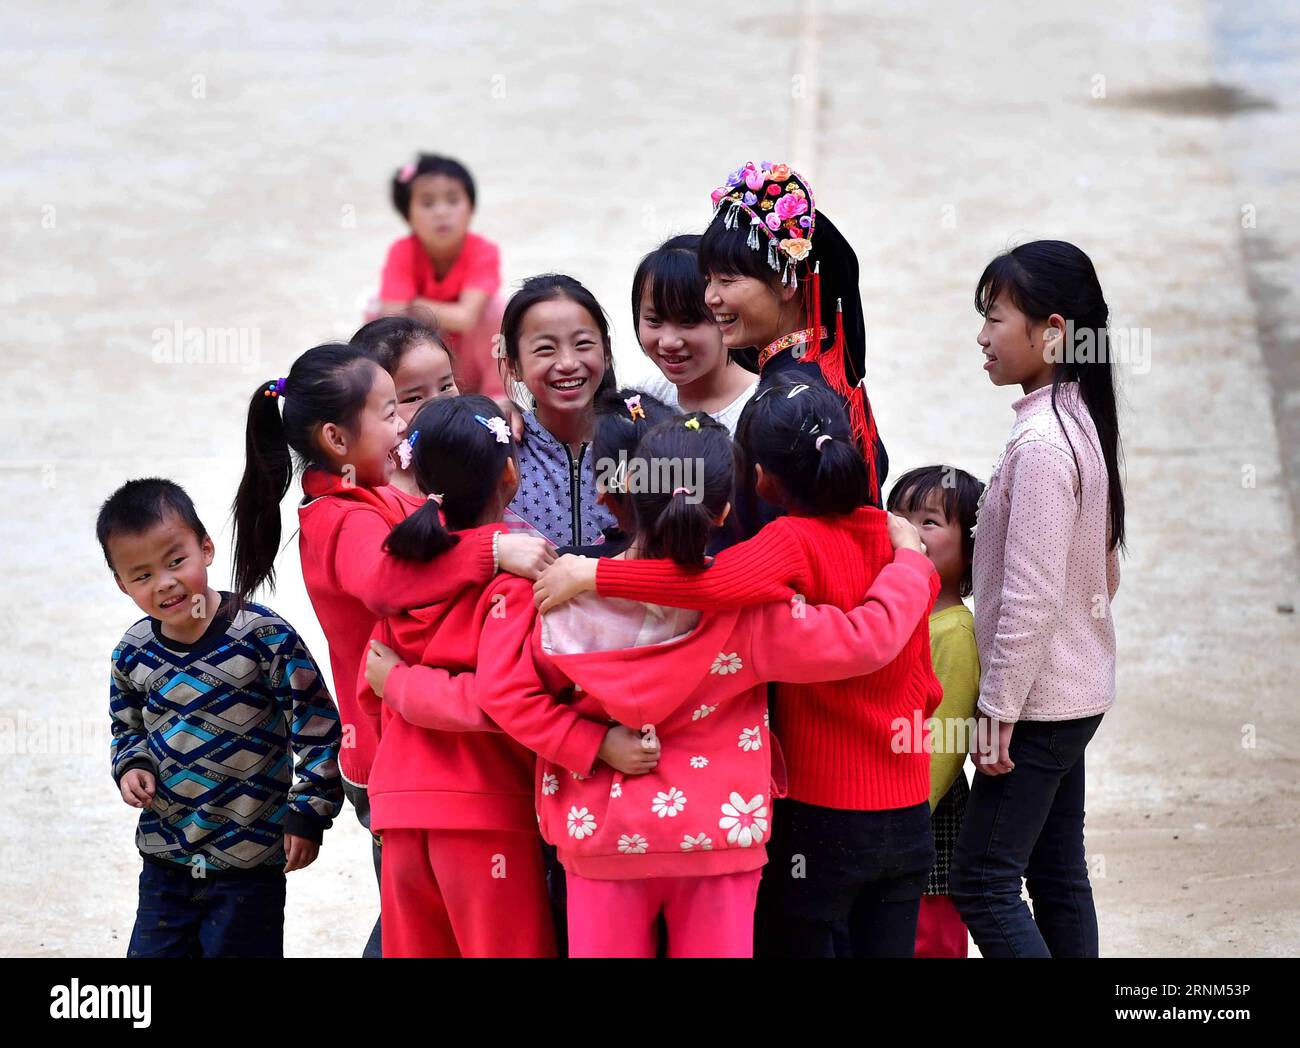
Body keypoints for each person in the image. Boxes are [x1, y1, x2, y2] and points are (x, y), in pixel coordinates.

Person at [950, 240, 1125, 958]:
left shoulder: (1044, 446)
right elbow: (1102, 573)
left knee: (984, 883)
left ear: (1051, 331)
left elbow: (1032, 599)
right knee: (1056, 876)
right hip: (1071, 694)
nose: (983, 336)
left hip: (1037, 707)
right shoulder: (1079, 417)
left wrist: (997, 712)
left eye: (995, 317)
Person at [98, 478, 342, 958]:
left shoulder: (263, 637)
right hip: (166, 857)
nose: (165, 582)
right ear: (122, 584)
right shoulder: (133, 653)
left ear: (205, 548)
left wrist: (309, 812)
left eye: (175, 560)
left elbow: (317, 726)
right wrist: (132, 766)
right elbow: (126, 728)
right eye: (142, 575)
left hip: (248, 865)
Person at [887, 464, 985, 958]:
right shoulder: (889, 612)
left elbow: (945, 744)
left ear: (970, 547)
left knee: (929, 939)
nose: (907, 530)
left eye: (928, 521)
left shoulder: (954, 632)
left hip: (924, 815)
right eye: (899, 516)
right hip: (887, 810)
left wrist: (902, 817)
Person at [374, 153, 506, 398]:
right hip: (424, 362)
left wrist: (415, 304)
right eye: (427, 203)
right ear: (408, 215)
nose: (442, 212)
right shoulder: (402, 252)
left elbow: (467, 318)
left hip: (470, 361)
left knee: (495, 310)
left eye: (453, 200)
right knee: (374, 313)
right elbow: (391, 315)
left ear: (471, 208)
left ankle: (496, 398)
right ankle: (396, 400)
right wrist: (446, 314)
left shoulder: (482, 251)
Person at [630, 233, 756, 437]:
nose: (668, 341)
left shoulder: (760, 412)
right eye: (654, 320)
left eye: (688, 321)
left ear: (727, 317)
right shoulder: (643, 398)